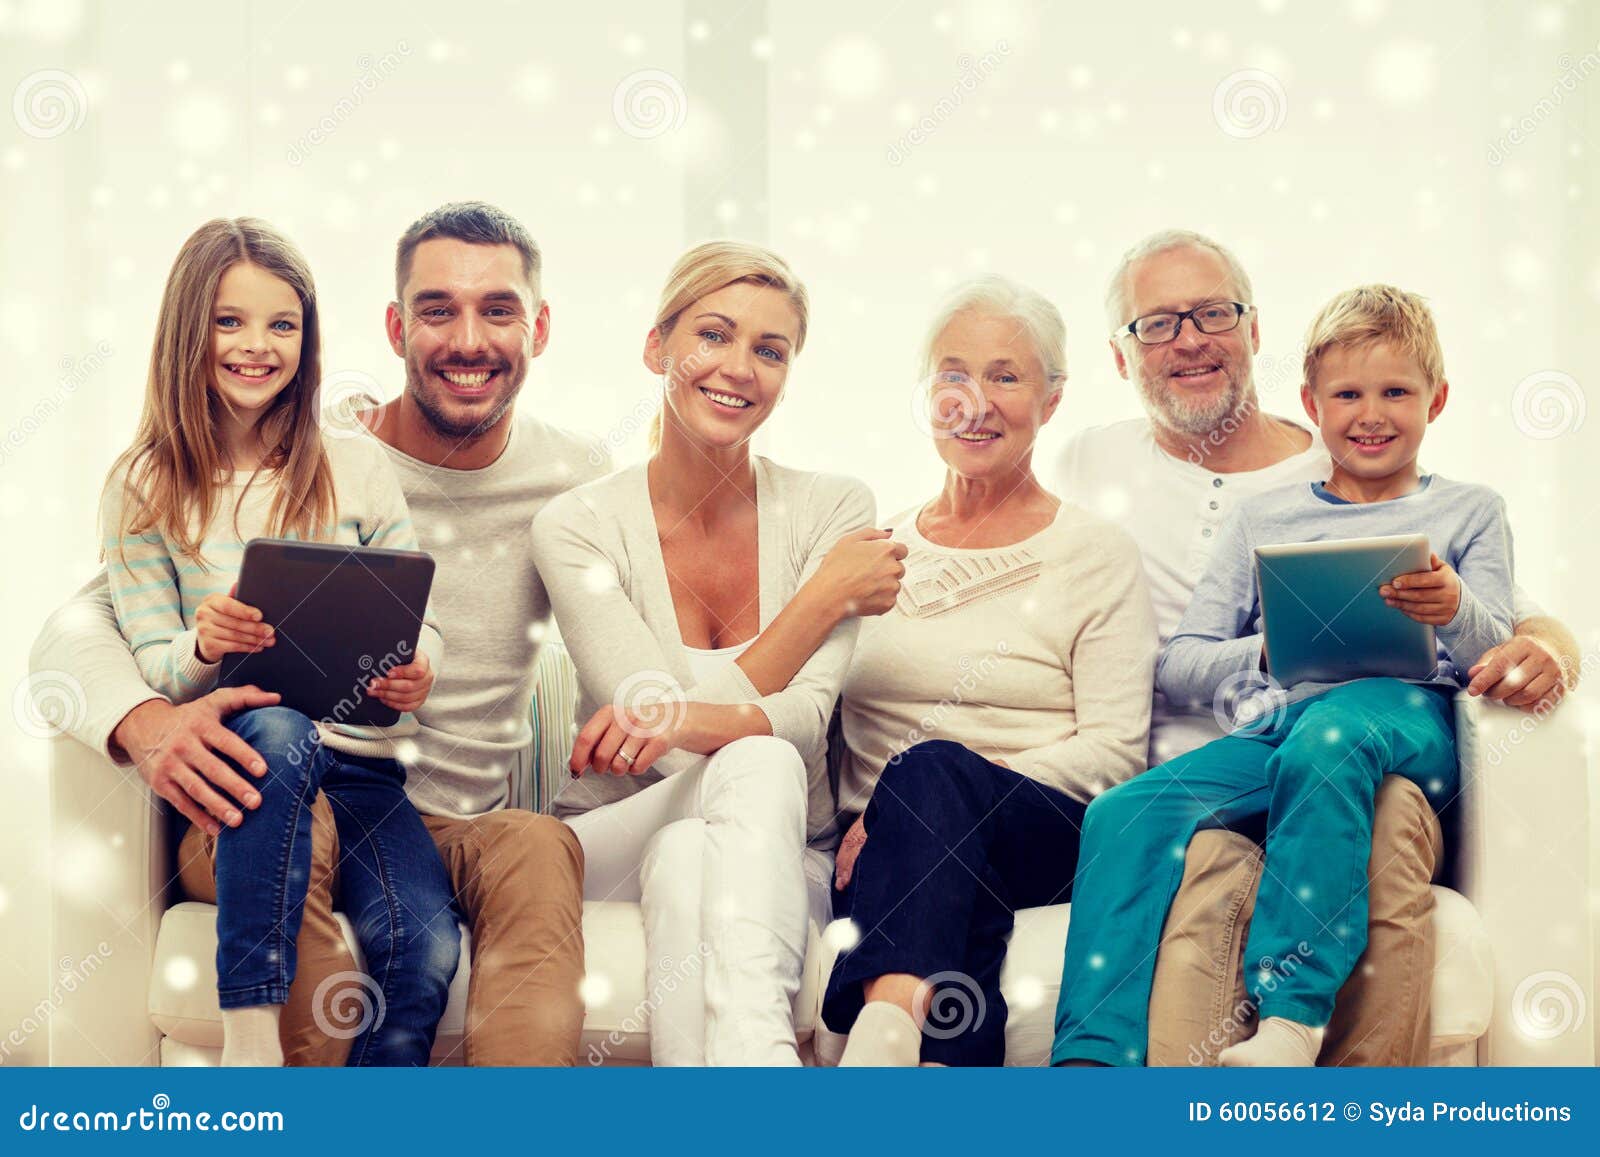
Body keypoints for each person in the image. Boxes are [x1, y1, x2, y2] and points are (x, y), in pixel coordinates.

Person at [31, 202, 606, 1065]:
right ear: (395, 325)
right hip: (260, 780)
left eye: (499, 309)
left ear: (541, 325)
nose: (468, 340)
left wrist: (420, 664)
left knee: (492, 884)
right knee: (283, 751)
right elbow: (73, 634)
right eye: (439, 308)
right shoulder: (180, 479)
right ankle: (264, 1057)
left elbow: (436, 626)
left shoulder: (562, 479)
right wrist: (162, 699)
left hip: (391, 788)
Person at [1055, 229, 1579, 1065]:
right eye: (1348, 397)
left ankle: (1290, 1018)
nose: (1371, 416)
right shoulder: (1264, 519)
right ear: (1312, 401)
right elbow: (1182, 663)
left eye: (1397, 394)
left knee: (1333, 735)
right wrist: (1267, 652)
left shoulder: (1472, 511)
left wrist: (1454, 608)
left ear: (1436, 401)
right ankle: (1090, 1066)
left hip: (1405, 726)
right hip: (1280, 727)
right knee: (1127, 811)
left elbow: (1495, 648)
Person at [530, 241, 905, 1065]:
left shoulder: (832, 505)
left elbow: (806, 721)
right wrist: (819, 600)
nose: (738, 367)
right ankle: (763, 1057)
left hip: (776, 849)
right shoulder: (578, 525)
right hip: (613, 834)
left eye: (770, 351)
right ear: (657, 346)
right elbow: (652, 737)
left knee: (697, 847)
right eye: (712, 335)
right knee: (758, 759)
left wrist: (676, 720)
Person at [97, 217, 453, 1066]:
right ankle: (250, 1036)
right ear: (189, 330)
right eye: (230, 321)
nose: (258, 346)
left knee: (426, 947)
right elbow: (151, 660)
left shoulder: (357, 466)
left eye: (282, 325)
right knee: (281, 726)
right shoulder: (143, 487)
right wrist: (204, 645)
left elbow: (414, 610)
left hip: (361, 766)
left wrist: (418, 666)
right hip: (248, 754)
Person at [820, 276, 1158, 1066]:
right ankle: (936, 1068)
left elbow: (1113, 755)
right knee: (947, 878)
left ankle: (877, 1045)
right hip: (884, 852)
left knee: (930, 770)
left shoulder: (1095, 553)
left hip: (1044, 828)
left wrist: (920, 795)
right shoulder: (876, 550)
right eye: (952, 375)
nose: (975, 401)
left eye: (1005, 376)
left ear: (1052, 397)